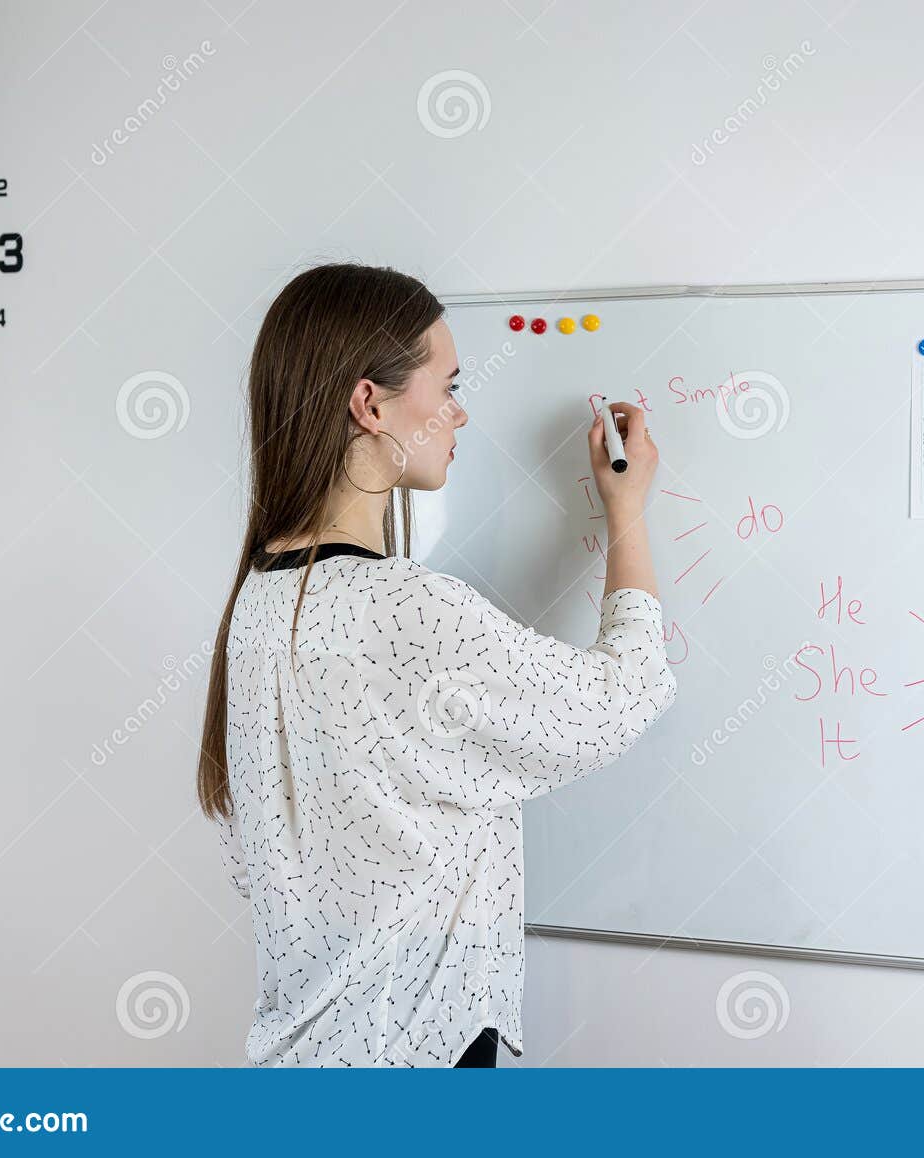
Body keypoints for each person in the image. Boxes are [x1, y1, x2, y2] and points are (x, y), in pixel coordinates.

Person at [195, 262, 677, 1067]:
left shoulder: (258, 602)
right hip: (414, 1059)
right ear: (369, 403)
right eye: (446, 386)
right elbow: (620, 696)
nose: (458, 413)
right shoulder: (405, 609)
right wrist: (626, 514)